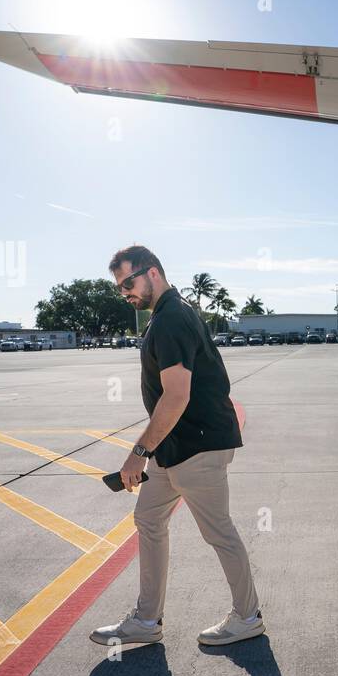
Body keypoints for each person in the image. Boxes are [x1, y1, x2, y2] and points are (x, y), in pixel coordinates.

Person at [90, 245, 264, 648]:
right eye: (119, 288)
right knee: (149, 520)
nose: (124, 293)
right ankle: (146, 620)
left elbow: (176, 396)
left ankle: (248, 616)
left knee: (218, 532)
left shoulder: (171, 318)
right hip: (174, 447)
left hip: (198, 445)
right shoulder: (168, 314)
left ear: (153, 273)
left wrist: (138, 453)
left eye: (128, 283)